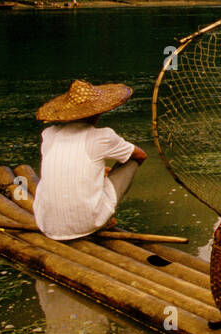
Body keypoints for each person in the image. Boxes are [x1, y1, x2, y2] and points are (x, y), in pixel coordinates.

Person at [33, 79, 147, 241]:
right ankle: (103, 219)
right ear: (97, 113)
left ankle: (85, 214)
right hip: (86, 224)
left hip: (47, 225)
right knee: (131, 161)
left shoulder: (49, 135)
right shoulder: (102, 137)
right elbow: (140, 155)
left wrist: (100, 174)